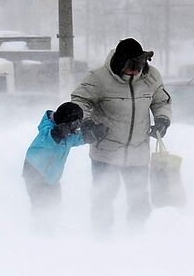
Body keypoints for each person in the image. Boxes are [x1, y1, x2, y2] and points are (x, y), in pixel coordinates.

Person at [71, 38, 172, 234]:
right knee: (103, 199)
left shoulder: (151, 77)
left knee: (139, 201)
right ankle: (102, 239)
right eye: (129, 67)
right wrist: (87, 123)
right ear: (119, 63)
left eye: (138, 67)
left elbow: (161, 101)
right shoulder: (98, 78)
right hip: (105, 152)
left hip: (138, 153)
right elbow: (80, 100)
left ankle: (137, 236)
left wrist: (162, 119)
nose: (134, 72)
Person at [22, 101, 90, 215]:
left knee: (55, 208)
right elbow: (48, 139)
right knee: (41, 207)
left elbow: (77, 138)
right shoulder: (47, 130)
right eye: (76, 124)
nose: (77, 128)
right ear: (66, 122)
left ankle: (52, 223)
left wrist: (91, 134)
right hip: (35, 172)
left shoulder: (69, 134)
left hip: (52, 177)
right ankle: (39, 224)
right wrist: (56, 133)